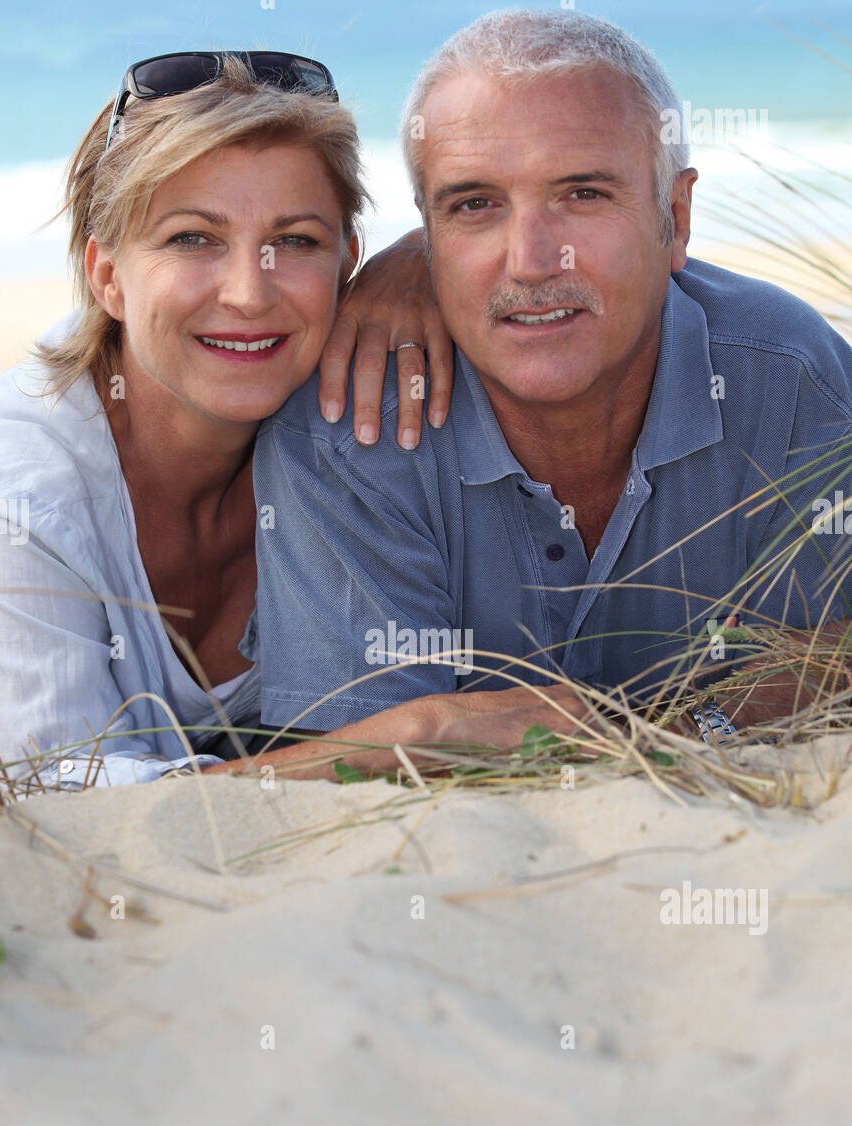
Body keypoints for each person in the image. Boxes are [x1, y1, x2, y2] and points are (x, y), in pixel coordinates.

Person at [242, 9, 852, 779]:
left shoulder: (789, 380)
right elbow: (370, 779)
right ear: (426, 238)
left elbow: (836, 652)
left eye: (583, 193)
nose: (531, 261)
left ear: (676, 218)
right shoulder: (344, 434)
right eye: (475, 205)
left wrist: (682, 727)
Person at [0, 51, 455, 792]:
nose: (248, 293)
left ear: (347, 264)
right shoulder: (15, 498)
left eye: (296, 240)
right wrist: (412, 737)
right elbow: (57, 795)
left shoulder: (351, 422)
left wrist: (427, 255)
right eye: (191, 239)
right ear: (106, 274)